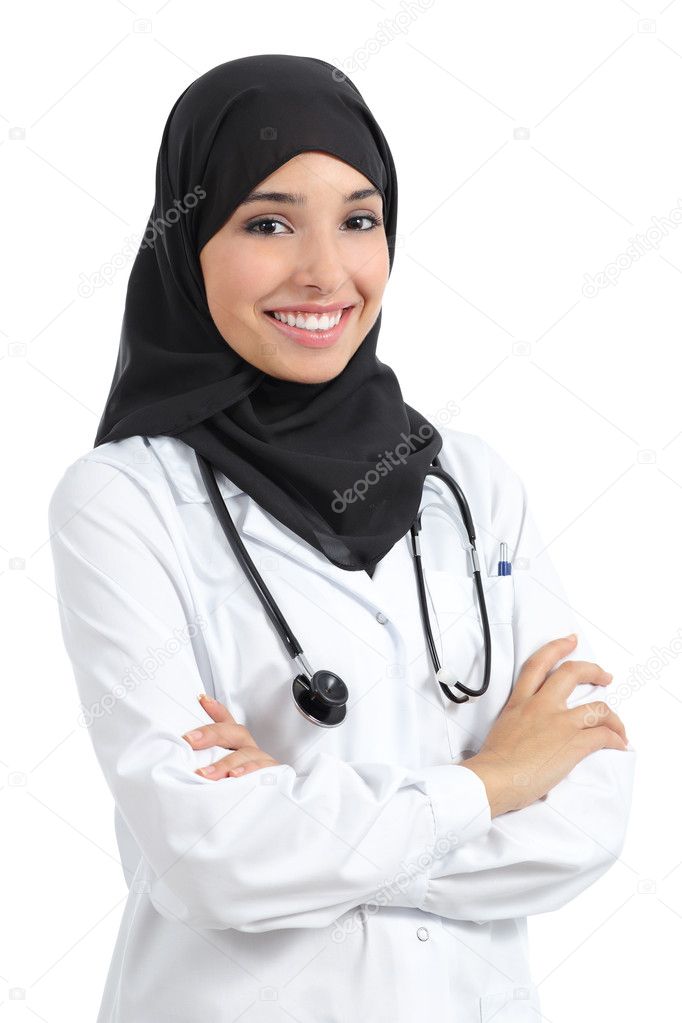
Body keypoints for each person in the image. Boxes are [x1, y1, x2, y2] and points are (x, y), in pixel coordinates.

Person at [47, 54, 635, 1023]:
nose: (325, 272)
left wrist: (298, 826)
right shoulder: (122, 499)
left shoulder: (471, 486)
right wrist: (492, 782)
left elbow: (585, 816)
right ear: (186, 241)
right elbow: (206, 858)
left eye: (359, 220)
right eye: (268, 223)